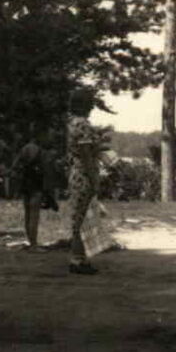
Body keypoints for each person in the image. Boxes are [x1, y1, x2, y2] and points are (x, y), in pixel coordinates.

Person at [65, 116, 107, 274]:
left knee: (80, 217)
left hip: (77, 175)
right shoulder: (81, 124)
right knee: (81, 219)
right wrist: (94, 178)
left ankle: (79, 257)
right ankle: (77, 260)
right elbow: (86, 154)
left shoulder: (72, 122)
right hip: (83, 176)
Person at [14, 136, 55, 249]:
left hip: (25, 184)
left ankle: (30, 241)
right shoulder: (42, 153)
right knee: (34, 215)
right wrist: (49, 192)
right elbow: (47, 172)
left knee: (27, 214)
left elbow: (15, 166)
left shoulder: (24, 149)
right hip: (37, 185)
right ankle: (34, 244)